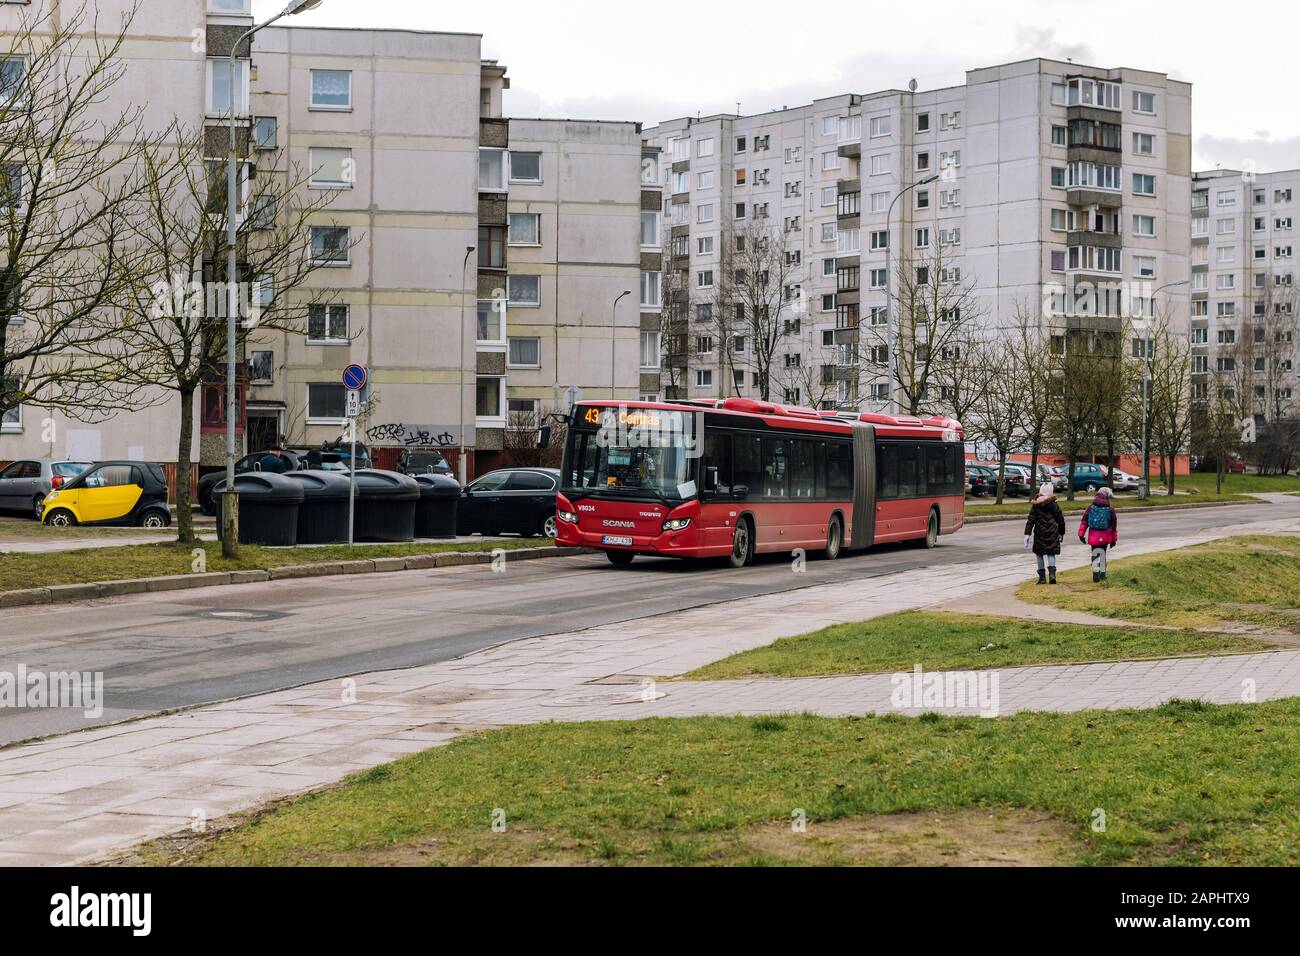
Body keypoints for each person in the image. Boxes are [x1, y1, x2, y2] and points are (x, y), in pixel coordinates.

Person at [1025, 482, 1065, 585]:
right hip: (1052, 531)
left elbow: (1031, 520)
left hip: (1039, 532)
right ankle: (1052, 575)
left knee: (1039, 554)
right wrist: (1061, 532)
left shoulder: (1036, 505)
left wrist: (1027, 534)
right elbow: (1060, 519)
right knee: (1051, 553)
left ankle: (1042, 578)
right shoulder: (1054, 504)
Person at [1079, 486, 1119, 584]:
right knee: (1103, 553)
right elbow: (1114, 526)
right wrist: (1114, 539)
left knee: (1095, 553)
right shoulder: (1110, 509)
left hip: (1094, 535)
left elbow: (1084, 521)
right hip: (1106, 535)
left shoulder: (1090, 507)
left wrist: (1081, 534)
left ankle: (1095, 571)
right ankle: (1102, 573)